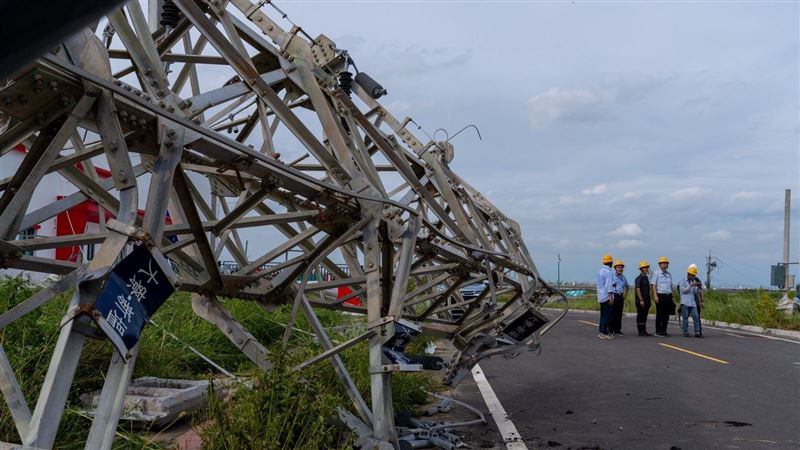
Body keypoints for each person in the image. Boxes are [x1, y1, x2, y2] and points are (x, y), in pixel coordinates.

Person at [651, 256, 674, 337]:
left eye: (666, 263)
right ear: (660, 265)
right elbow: (654, 285)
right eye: (663, 263)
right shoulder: (656, 273)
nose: (664, 265)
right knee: (660, 314)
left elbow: (670, 285)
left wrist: (672, 296)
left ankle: (664, 331)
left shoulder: (669, 274)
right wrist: (655, 296)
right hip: (660, 295)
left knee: (666, 315)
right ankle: (658, 331)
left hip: (668, 296)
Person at [679, 265, 703, 337]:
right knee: (685, 318)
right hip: (685, 302)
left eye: (694, 275)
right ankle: (685, 332)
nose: (693, 277)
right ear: (688, 274)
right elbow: (683, 291)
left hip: (692, 303)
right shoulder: (682, 281)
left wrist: (698, 288)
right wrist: (690, 286)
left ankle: (697, 332)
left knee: (696, 317)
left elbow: (695, 292)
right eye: (692, 275)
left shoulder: (694, 281)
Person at [596, 254, 615, 339]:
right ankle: (603, 332)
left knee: (603, 315)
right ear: (611, 262)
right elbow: (608, 285)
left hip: (601, 295)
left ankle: (601, 331)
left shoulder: (600, 271)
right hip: (607, 296)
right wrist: (611, 296)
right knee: (607, 315)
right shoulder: (608, 272)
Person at [610, 260, 629, 335]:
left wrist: (625, 296)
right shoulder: (612, 276)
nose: (620, 269)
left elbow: (627, 287)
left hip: (620, 297)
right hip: (614, 296)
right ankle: (611, 330)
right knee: (613, 314)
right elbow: (609, 287)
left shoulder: (623, 277)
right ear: (615, 268)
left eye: (621, 267)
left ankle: (617, 330)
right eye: (618, 267)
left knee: (619, 314)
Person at [634, 261, 652, 336]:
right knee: (640, 315)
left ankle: (644, 331)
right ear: (641, 269)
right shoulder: (639, 278)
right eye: (645, 267)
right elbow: (638, 289)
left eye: (647, 267)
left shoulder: (646, 277)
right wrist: (641, 300)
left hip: (646, 300)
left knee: (644, 315)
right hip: (641, 300)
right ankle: (640, 331)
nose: (647, 269)